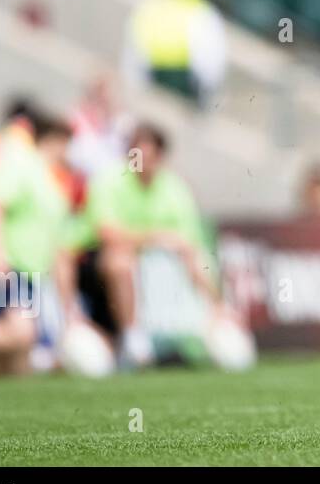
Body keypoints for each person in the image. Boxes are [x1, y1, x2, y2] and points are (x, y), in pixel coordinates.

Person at [62, 122, 221, 368]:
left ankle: (213, 318)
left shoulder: (174, 188)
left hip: (152, 268)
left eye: (149, 155)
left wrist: (214, 299)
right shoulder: (109, 180)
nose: (142, 162)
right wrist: (155, 237)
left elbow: (188, 243)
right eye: (136, 154)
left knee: (195, 259)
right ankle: (133, 337)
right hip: (94, 265)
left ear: (160, 157)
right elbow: (107, 234)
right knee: (121, 260)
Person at [0, 105, 71, 379]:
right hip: (6, 267)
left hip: (30, 273)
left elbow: (55, 242)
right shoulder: (22, 164)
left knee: (16, 364)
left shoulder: (49, 178)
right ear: (54, 139)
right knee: (22, 334)